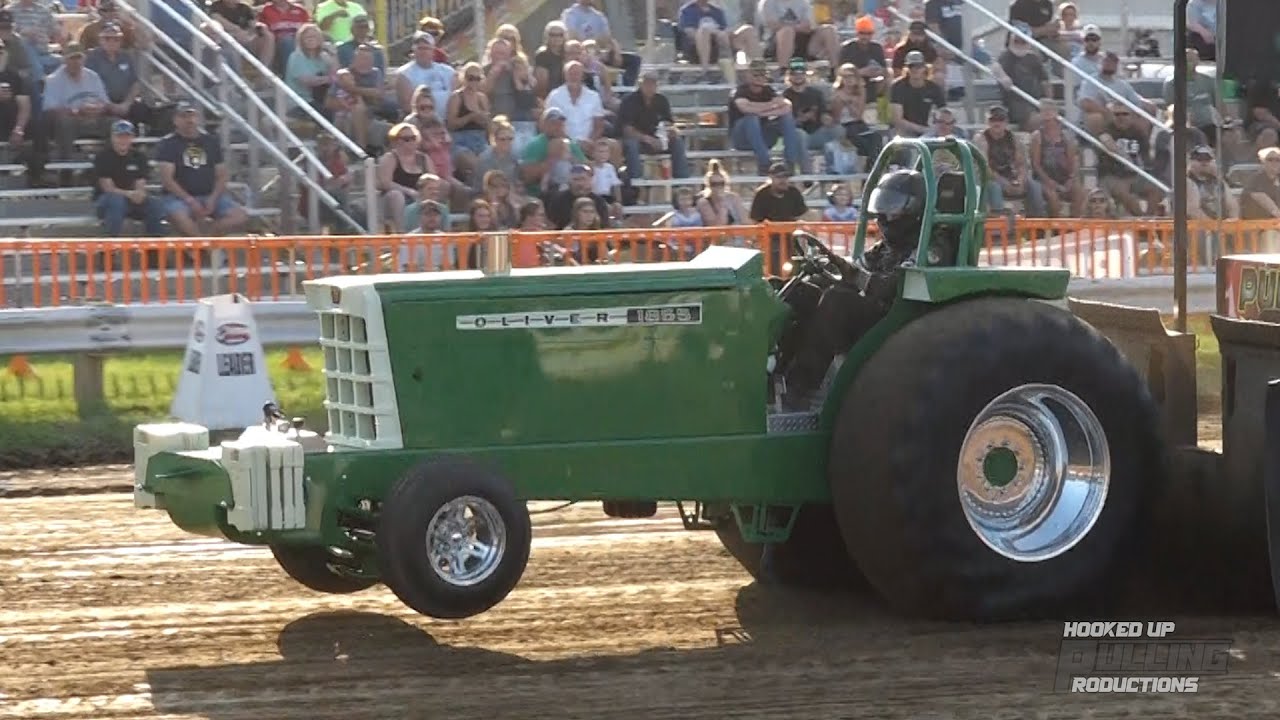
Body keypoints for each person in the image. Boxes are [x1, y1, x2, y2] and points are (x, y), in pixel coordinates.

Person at [778, 169, 926, 411]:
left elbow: (889, 287)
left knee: (838, 301)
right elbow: (859, 266)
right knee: (804, 291)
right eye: (884, 207)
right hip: (874, 309)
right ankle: (777, 372)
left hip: (896, 319)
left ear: (912, 210)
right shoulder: (888, 245)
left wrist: (852, 274)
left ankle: (802, 389)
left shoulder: (924, 246)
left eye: (893, 208)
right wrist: (831, 266)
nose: (885, 216)